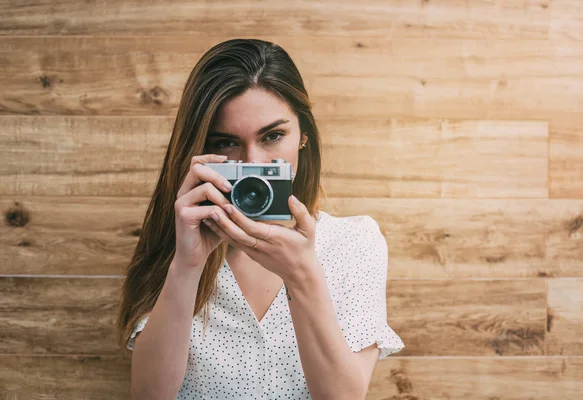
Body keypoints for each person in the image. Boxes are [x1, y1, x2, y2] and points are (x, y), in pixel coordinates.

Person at [116, 38, 405, 400]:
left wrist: (302, 275)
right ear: (201, 148)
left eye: (273, 136)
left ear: (303, 135)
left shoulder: (353, 243)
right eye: (226, 143)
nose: (255, 163)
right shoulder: (178, 242)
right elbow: (149, 397)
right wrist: (187, 266)